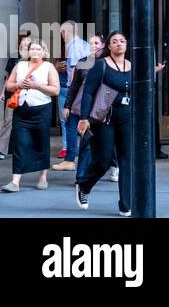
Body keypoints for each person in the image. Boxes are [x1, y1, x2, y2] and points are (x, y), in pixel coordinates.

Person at [75, 31, 136, 215]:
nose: (119, 44)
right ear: (108, 46)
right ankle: (84, 186)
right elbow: (88, 92)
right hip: (104, 118)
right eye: (114, 41)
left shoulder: (132, 66)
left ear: (126, 45)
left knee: (126, 159)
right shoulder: (100, 65)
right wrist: (84, 118)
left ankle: (126, 203)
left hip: (126, 117)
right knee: (102, 160)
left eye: (122, 41)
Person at [0, 39, 60, 193]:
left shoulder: (49, 67)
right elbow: (9, 85)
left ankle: (42, 177)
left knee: (42, 142)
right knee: (20, 143)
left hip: (41, 110)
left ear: (43, 51)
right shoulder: (20, 65)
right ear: (28, 51)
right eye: (32, 49)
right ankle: (15, 181)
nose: (35, 52)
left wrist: (37, 86)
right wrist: (19, 85)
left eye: (38, 49)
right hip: (21, 110)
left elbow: (55, 90)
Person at [62, 35, 116, 185]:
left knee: (108, 140)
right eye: (91, 43)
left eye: (96, 43)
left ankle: (114, 165)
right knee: (86, 141)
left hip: (106, 107)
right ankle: (81, 177)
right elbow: (74, 85)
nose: (93, 45)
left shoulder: (109, 62)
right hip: (86, 107)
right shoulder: (83, 62)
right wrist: (67, 105)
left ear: (103, 45)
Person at [0, 36, 31, 161]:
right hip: (13, 94)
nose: (26, 43)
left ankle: (27, 149)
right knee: (8, 121)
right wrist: (3, 92)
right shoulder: (15, 56)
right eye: (24, 40)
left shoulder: (33, 58)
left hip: (28, 95)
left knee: (27, 121)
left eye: (28, 41)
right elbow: (9, 77)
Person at [57, 21, 88, 164]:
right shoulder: (83, 44)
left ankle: (70, 157)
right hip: (84, 90)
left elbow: (74, 71)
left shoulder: (74, 47)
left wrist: (70, 92)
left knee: (69, 122)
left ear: (65, 33)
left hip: (74, 89)